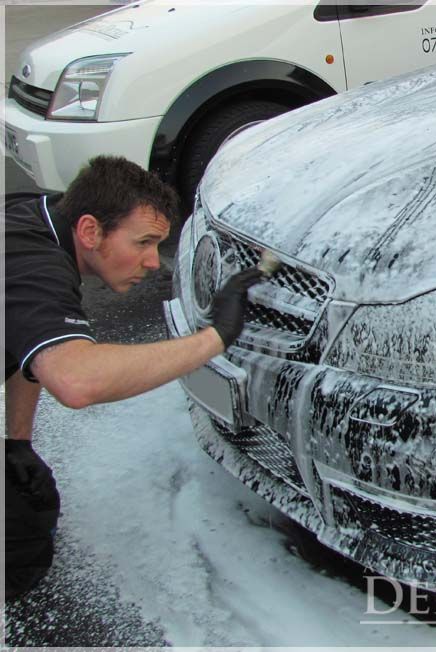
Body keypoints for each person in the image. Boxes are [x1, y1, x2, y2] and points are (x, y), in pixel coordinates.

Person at [4, 155, 262, 599]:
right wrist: (215, 338)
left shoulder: (38, 218)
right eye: (143, 242)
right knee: (18, 545)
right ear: (90, 231)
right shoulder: (35, 268)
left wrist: (17, 443)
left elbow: (25, 347)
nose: (152, 262)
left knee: (26, 509)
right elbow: (75, 380)